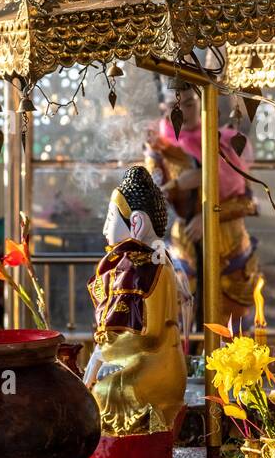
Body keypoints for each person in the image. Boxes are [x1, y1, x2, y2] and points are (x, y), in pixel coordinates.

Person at [145, 85, 260, 327]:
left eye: (189, 103)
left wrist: (209, 216)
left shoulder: (227, 143)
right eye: (175, 106)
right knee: (182, 323)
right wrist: (178, 184)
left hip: (231, 248)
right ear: (163, 108)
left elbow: (249, 202)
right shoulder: (161, 149)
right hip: (185, 247)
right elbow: (151, 200)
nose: (183, 112)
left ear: (203, 102)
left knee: (234, 329)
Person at [85, 165, 186, 436]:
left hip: (154, 367)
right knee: (99, 388)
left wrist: (101, 355)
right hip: (143, 362)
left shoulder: (151, 266)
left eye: (110, 218)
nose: (105, 228)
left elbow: (150, 336)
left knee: (102, 393)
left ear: (136, 223)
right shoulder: (139, 263)